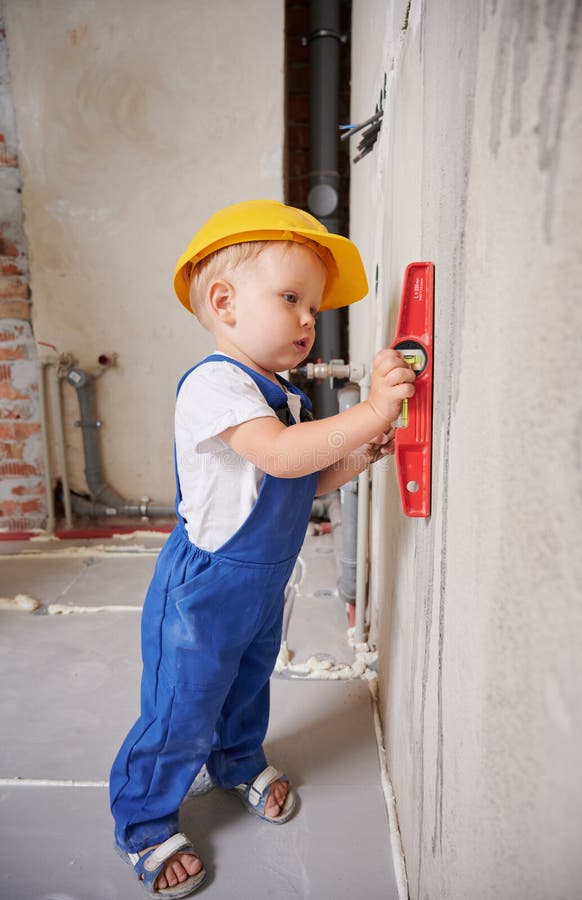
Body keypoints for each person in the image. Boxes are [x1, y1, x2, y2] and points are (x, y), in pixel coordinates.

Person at [109, 199, 415, 897]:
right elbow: (278, 457)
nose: (310, 318)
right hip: (204, 588)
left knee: (246, 685)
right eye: (292, 298)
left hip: (261, 582)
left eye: (313, 306)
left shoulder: (286, 398)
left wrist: (357, 455)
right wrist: (368, 410)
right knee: (182, 705)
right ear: (225, 301)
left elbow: (300, 481)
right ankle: (144, 822)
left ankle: (239, 760)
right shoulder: (216, 385)